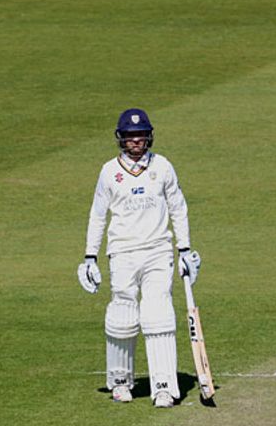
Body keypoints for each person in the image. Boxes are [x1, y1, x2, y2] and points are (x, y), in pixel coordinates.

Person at [77, 107, 201, 408]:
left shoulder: (163, 167)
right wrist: (90, 257)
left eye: (141, 135)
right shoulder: (109, 171)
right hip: (122, 252)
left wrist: (184, 249)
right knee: (123, 316)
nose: (136, 141)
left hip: (158, 251)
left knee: (158, 314)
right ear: (121, 139)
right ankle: (121, 382)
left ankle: (163, 387)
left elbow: (178, 208)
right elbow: (97, 216)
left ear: (149, 137)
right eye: (131, 136)